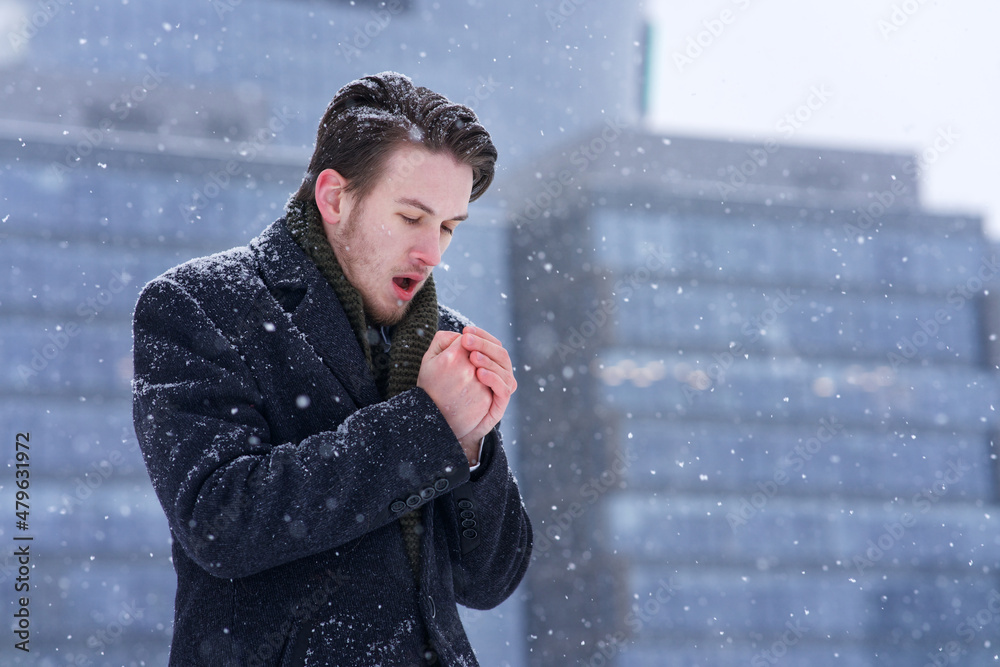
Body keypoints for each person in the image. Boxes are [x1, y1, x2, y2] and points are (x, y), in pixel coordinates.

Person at [131, 71, 532, 666]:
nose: (432, 251)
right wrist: (428, 423)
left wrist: (471, 449)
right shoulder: (201, 304)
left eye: (448, 227)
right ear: (335, 198)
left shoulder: (445, 343)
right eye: (410, 217)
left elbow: (489, 583)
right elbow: (219, 521)